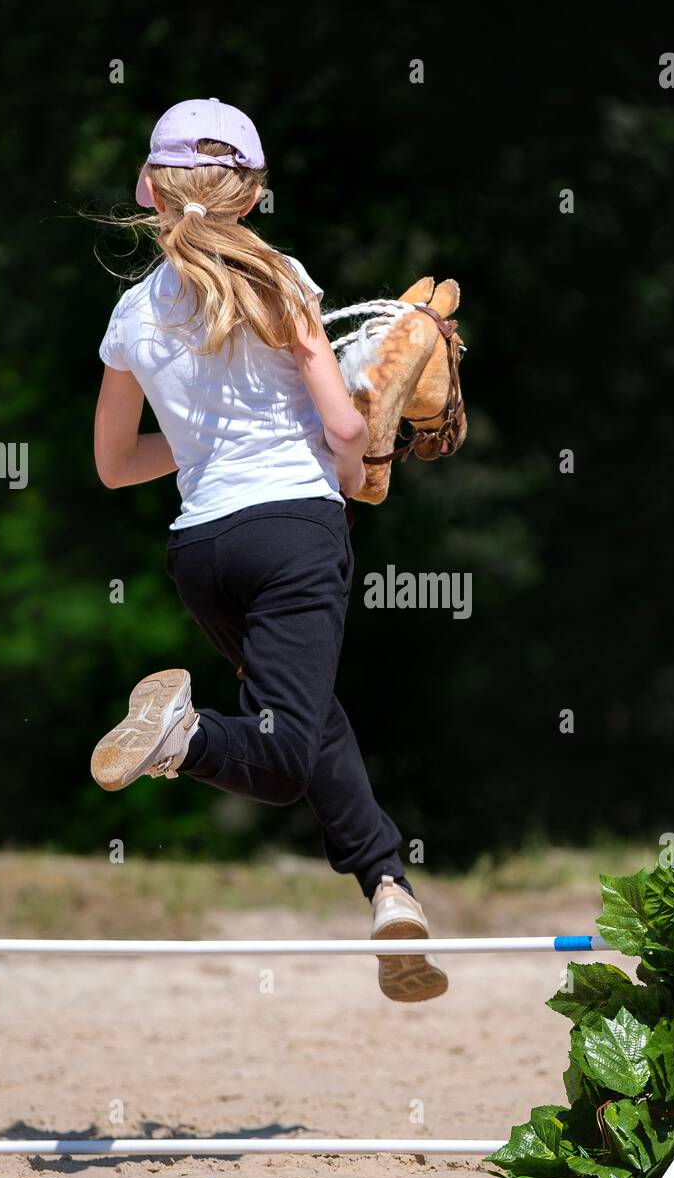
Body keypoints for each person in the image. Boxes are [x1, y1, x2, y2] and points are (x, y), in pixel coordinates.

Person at [89, 99, 447, 1003]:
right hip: (294, 531)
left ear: (148, 187)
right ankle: (185, 736)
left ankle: (387, 887)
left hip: (201, 551)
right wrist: (356, 468)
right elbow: (337, 419)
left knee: (306, 713)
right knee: (283, 762)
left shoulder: (131, 316)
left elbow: (114, 465)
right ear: (252, 194)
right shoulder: (283, 280)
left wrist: (205, 442)